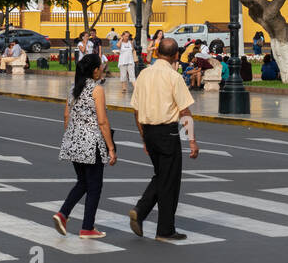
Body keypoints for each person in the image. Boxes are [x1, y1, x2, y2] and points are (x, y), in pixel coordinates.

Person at [129, 38, 199, 241]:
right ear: (176, 55)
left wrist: (143, 137)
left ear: (158, 52)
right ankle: (163, 228)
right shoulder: (173, 76)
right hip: (167, 132)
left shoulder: (143, 74)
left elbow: (136, 110)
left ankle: (142, 212)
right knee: (170, 180)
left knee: (162, 175)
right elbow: (185, 110)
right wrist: (192, 140)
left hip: (149, 131)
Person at [53, 54, 117, 238]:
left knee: (83, 182)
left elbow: (66, 116)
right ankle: (87, 227)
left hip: (73, 141)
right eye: (101, 68)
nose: (102, 70)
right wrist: (111, 148)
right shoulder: (97, 90)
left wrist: (71, 138)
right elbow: (103, 122)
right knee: (95, 186)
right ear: (95, 70)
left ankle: (63, 214)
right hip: (91, 144)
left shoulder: (74, 89)